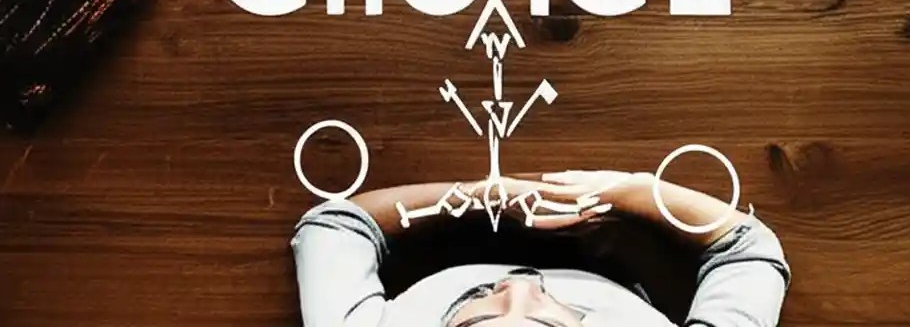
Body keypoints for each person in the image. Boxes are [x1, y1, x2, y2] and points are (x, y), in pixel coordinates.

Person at [291, 169, 790, 326]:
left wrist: (484, 195)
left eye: (480, 311)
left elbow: (335, 227)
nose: (520, 284)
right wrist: (623, 190)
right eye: (553, 318)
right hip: (623, 245)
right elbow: (745, 250)